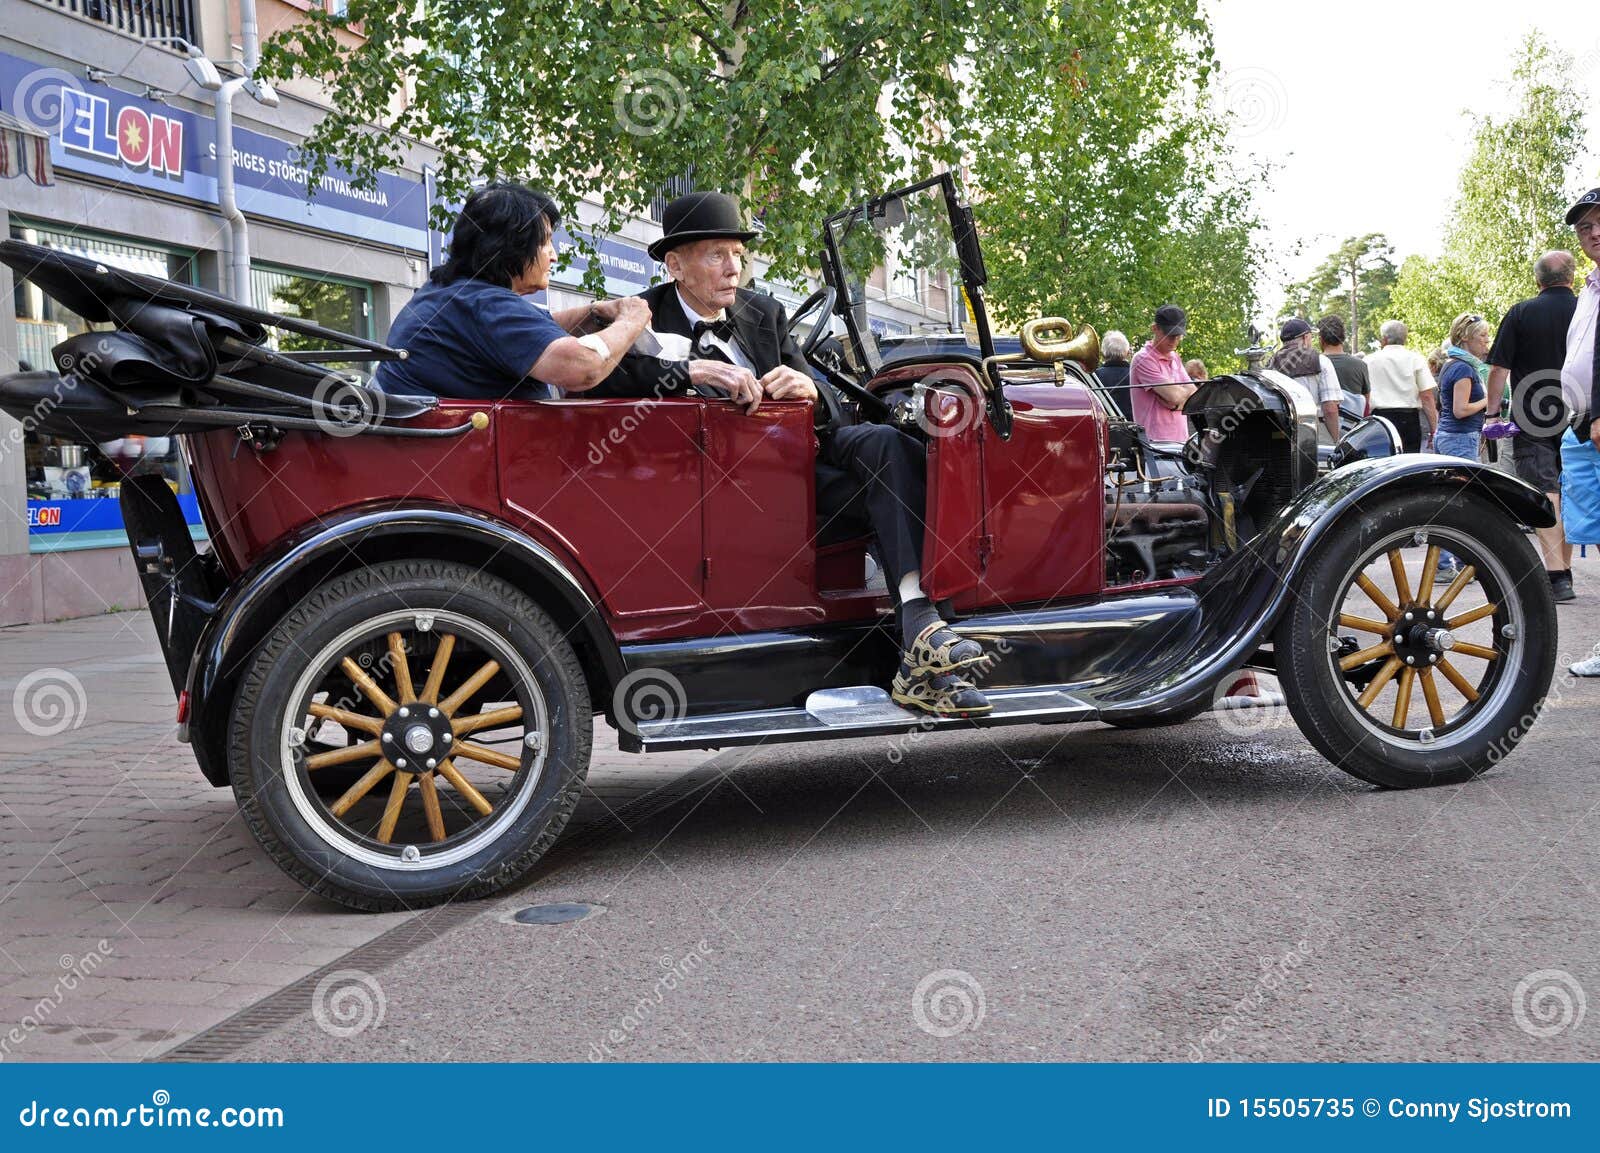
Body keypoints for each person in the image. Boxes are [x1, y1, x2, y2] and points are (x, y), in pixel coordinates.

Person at [598, 191, 991, 716]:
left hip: (803, 465)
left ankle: (919, 620)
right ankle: (927, 668)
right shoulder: (642, 316)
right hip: (723, 486)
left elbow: (831, 407)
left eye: (739, 254)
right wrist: (691, 370)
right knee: (887, 483)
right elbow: (605, 374)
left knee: (889, 445)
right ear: (675, 264)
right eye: (716, 255)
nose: (733, 268)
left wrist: (809, 390)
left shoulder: (764, 311)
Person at [376, 183, 649, 399]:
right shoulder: (486, 304)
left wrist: (592, 313)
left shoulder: (447, 293)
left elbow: (527, 334)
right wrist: (631, 320)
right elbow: (583, 369)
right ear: (512, 246)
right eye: (546, 242)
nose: (553, 256)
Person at [1485, 251, 1581, 602]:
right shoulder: (1585, 310)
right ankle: (1564, 569)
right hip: (1582, 413)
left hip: (1532, 416)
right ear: (1572, 277)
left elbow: (1499, 368)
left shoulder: (1521, 312)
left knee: (1545, 492)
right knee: (1571, 490)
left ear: (1537, 280)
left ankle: (1558, 577)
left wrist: (1491, 415)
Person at [1563, 188, 1600, 672]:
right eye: (1585, 227)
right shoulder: (1589, 288)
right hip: (1581, 425)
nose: (1594, 232)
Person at [1432, 313, 1493, 579]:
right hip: (1459, 438)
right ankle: (1449, 564)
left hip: (1451, 436)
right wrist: (1489, 401)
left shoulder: (1451, 364)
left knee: (1452, 501)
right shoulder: (1464, 369)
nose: (1486, 341)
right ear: (1466, 338)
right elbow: (1460, 410)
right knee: (1461, 503)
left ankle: (1452, 562)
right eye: (1482, 336)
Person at [1365, 320, 1439, 452]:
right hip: (1409, 420)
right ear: (1405, 338)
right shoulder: (1416, 359)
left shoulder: (1369, 360)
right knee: (1408, 461)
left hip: (1379, 419)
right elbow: (1427, 396)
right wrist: (1434, 429)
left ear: (1384, 339)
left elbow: (1364, 395)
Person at [1128, 304, 1196, 441]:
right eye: (1170, 335)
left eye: (1178, 336)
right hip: (1155, 444)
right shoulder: (1143, 359)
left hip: (1181, 441)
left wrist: (1176, 405)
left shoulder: (1175, 358)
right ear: (1155, 328)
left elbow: (1195, 394)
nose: (1174, 341)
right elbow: (1174, 396)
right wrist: (1180, 398)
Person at [1268, 317, 1342, 441]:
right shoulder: (1321, 361)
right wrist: (1335, 440)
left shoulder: (1270, 365)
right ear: (1305, 338)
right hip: (1315, 431)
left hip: (1280, 436)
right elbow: (1330, 409)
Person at [1318, 314, 1369, 414]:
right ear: (1343, 338)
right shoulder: (1360, 365)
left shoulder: (1314, 364)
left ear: (1321, 339)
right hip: (1353, 422)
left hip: (1322, 421)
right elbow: (1366, 405)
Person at [1095, 330, 1133, 420]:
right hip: (1135, 426)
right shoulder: (1137, 374)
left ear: (1103, 354)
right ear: (1127, 353)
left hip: (1104, 424)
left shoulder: (1094, 376)